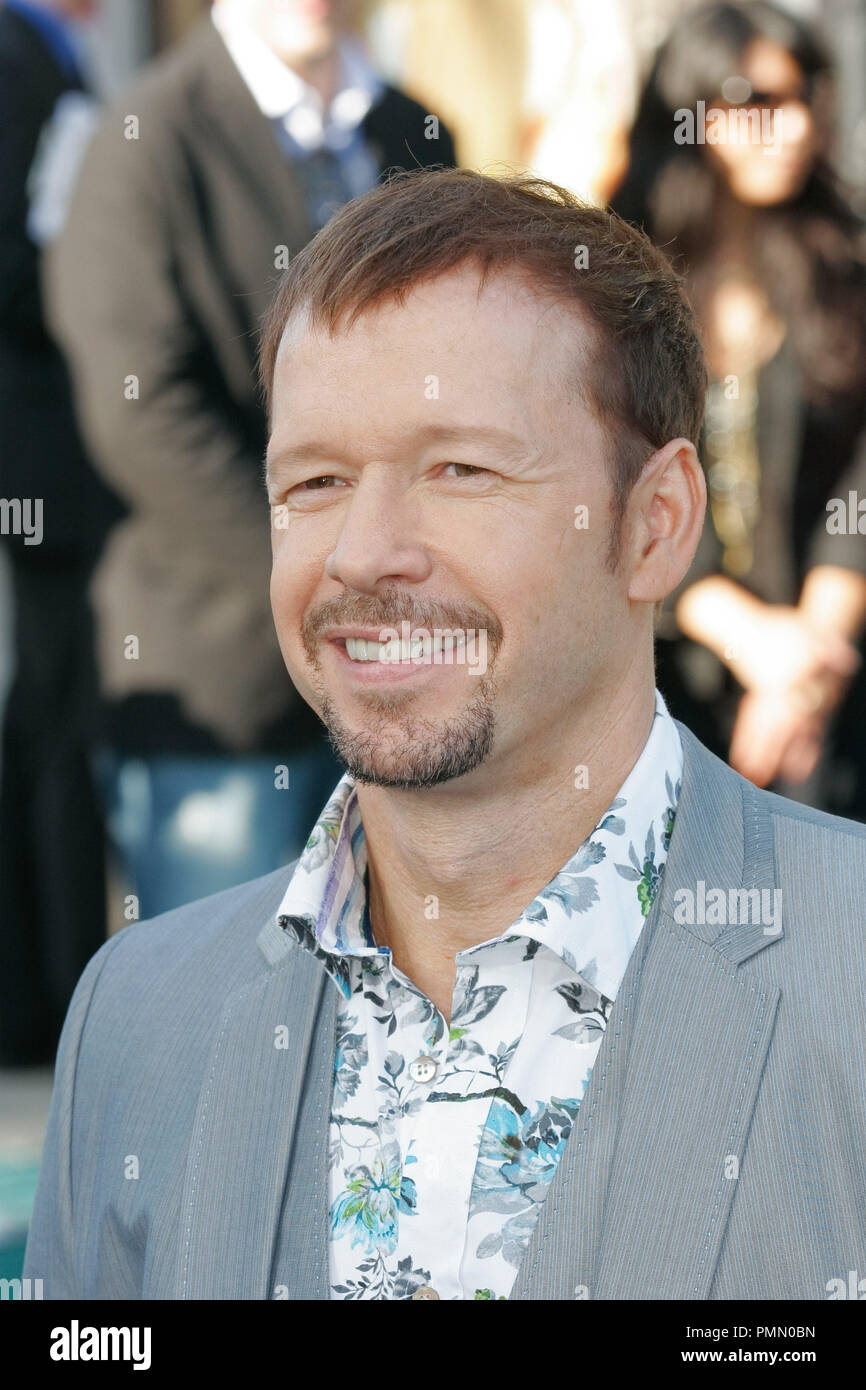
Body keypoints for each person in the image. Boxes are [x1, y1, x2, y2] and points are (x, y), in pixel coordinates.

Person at [25, 170, 866, 1300]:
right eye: (314, 481)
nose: (364, 552)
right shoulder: (133, 1016)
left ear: (653, 526)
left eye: (458, 470)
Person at [45, 0, 456, 918]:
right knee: (225, 1019)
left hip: (410, 658)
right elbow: (141, 412)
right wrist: (324, 574)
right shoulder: (146, 136)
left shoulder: (411, 127)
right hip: (222, 667)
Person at [612, 0, 866, 821]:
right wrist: (740, 633)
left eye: (803, 98)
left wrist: (806, 665)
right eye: (755, 102)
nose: (788, 127)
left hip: (829, 678)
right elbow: (596, 480)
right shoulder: (611, 287)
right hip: (658, 684)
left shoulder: (845, 260)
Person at [0, 0, 121, 1064]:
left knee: (52, 716)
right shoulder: (13, 50)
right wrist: (96, 272)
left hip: (51, 454)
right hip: (40, 454)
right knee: (56, 722)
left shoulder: (48, 47)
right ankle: (47, 991)